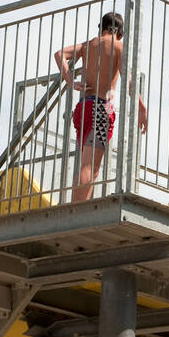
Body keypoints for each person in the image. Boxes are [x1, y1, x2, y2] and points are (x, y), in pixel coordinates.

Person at [53, 12, 149, 202]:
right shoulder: (118, 47)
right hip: (100, 109)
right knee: (90, 168)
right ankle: (75, 211)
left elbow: (59, 54)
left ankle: (80, 207)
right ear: (119, 31)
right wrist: (141, 108)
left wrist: (71, 81)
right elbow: (129, 83)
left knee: (88, 167)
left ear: (102, 27)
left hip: (83, 108)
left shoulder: (87, 45)